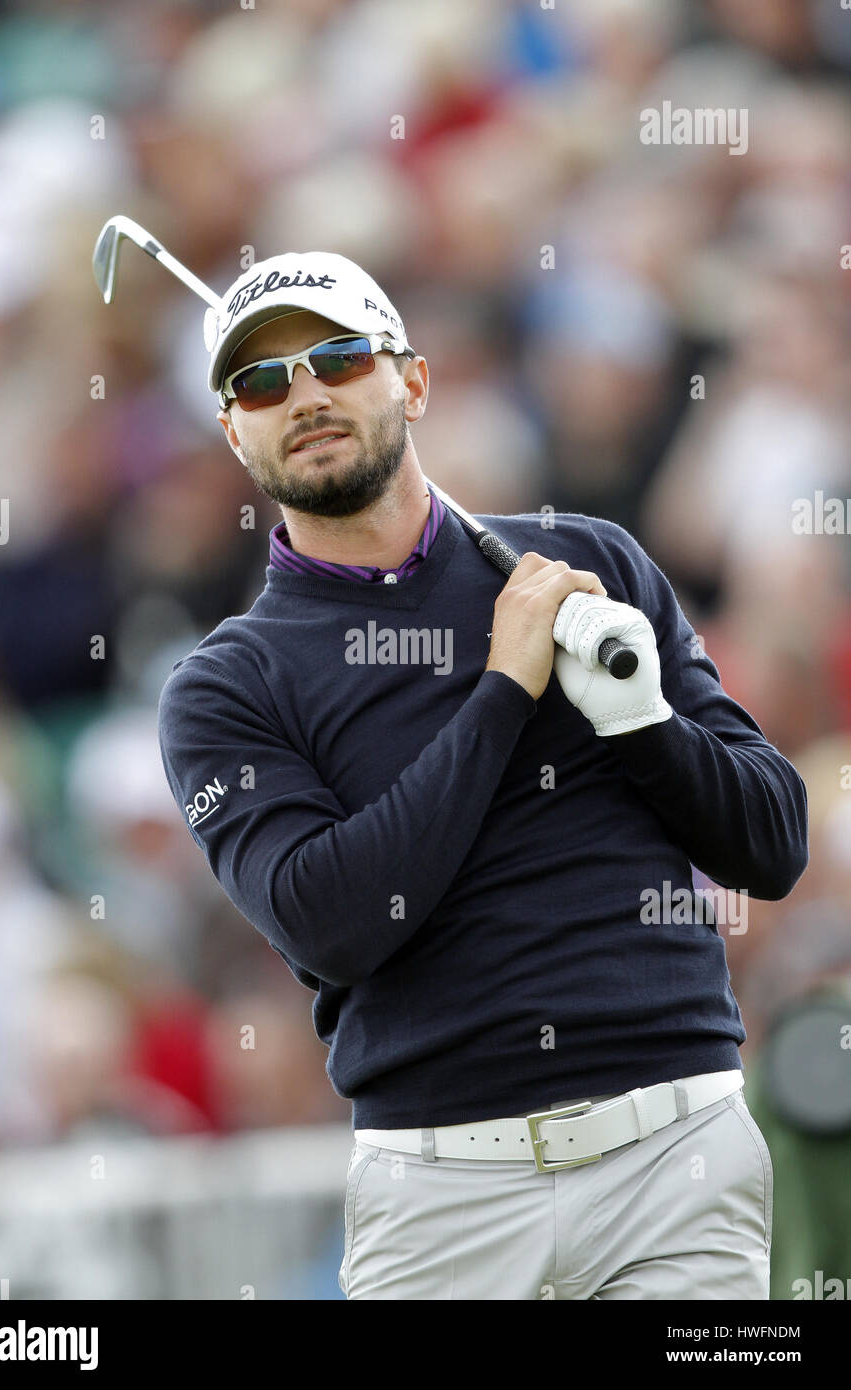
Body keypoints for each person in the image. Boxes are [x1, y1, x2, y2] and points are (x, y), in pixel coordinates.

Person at [157, 249, 809, 1300]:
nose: (306, 394)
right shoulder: (227, 682)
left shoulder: (590, 564)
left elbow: (771, 844)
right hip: (440, 1194)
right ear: (235, 432)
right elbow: (331, 920)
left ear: (410, 381)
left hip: (673, 1157)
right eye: (263, 383)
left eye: (337, 358)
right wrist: (505, 688)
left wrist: (642, 722)